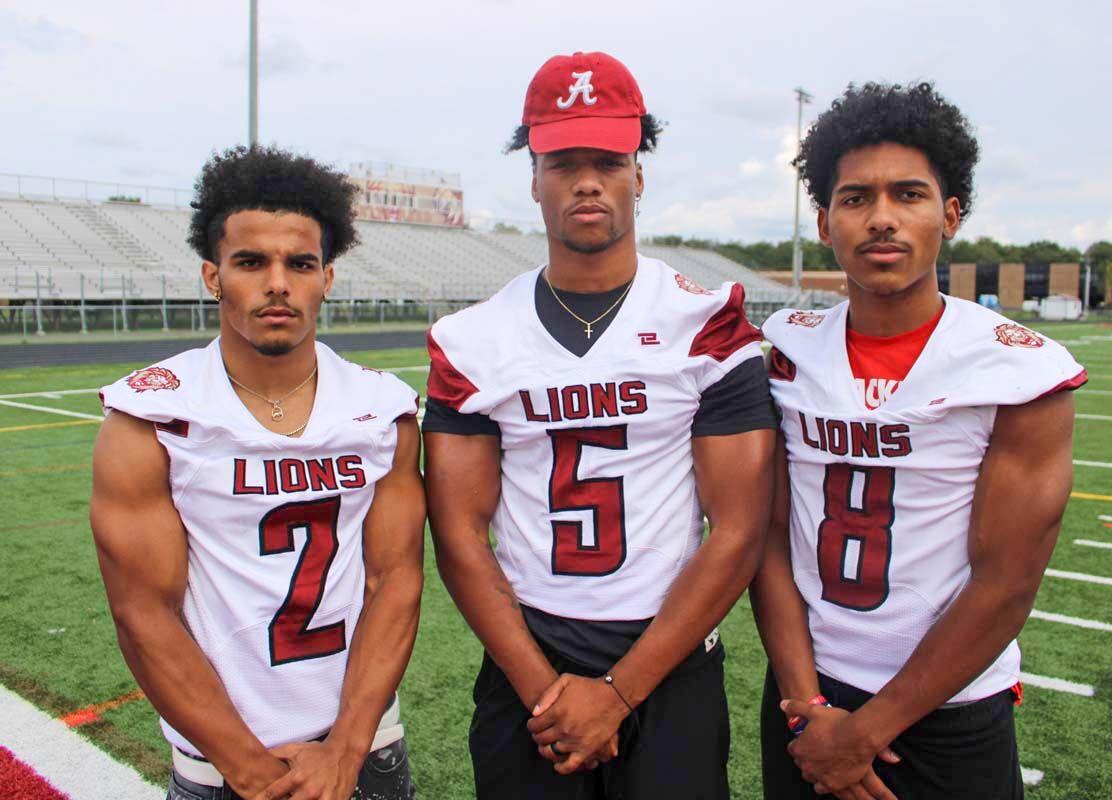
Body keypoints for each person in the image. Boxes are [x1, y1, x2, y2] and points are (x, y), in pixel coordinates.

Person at [422, 51, 776, 799]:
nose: (587, 181)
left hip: (669, 657)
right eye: (563, 162)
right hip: (530, 652)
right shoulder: (474, 340)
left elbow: (739, 527)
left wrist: (619, 691)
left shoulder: (706, 323)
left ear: (638, 176)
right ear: (534, 179)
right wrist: (546, 690)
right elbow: (459, 530)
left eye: (608, 161)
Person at [753, 82, 1086, 800]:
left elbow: (1007, 582)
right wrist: (809, 708)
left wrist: (865, 735)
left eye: (908, 194)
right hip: (807, 695)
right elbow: (769, 537)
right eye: (855, 198)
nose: (881, 220)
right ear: (822, 221)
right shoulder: (786, 349)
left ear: (950, 214)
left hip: (948, 709)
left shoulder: (1019, 369)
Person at [89, 145, 423, 800]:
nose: (277, 283)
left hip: (366, 746)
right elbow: (142, 613)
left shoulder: (383, 410)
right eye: (251, 262)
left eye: (300, 263)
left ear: (327, 278)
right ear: (212, 276)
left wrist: (347, 749)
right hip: (221, 766)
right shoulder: (150, 415)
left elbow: (396, 579)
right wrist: (244, 765)